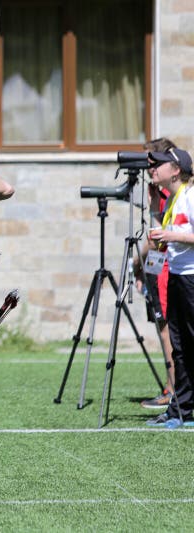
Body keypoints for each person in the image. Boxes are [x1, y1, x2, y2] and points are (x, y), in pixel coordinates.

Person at [144, 147, 194, 429]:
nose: (152, 169)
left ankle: (182, 409)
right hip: (176, 275)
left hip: (191, 277)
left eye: (158, 165)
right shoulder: (174, 199)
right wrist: (155, 212)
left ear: (175, 170)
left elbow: (180, 235)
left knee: (190, 342)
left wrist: (170, 234)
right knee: (180, 346)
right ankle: (180, 411)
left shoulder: (191, 195)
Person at [134, 138, 177, 409]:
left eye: (151, 162)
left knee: (167, 331)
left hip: (169, 269)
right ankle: (174, 387)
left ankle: (173, 389)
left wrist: (135, 263)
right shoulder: (158, 192)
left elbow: (157, 237)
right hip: (159, 267)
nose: (147, 168)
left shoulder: (175, 192)